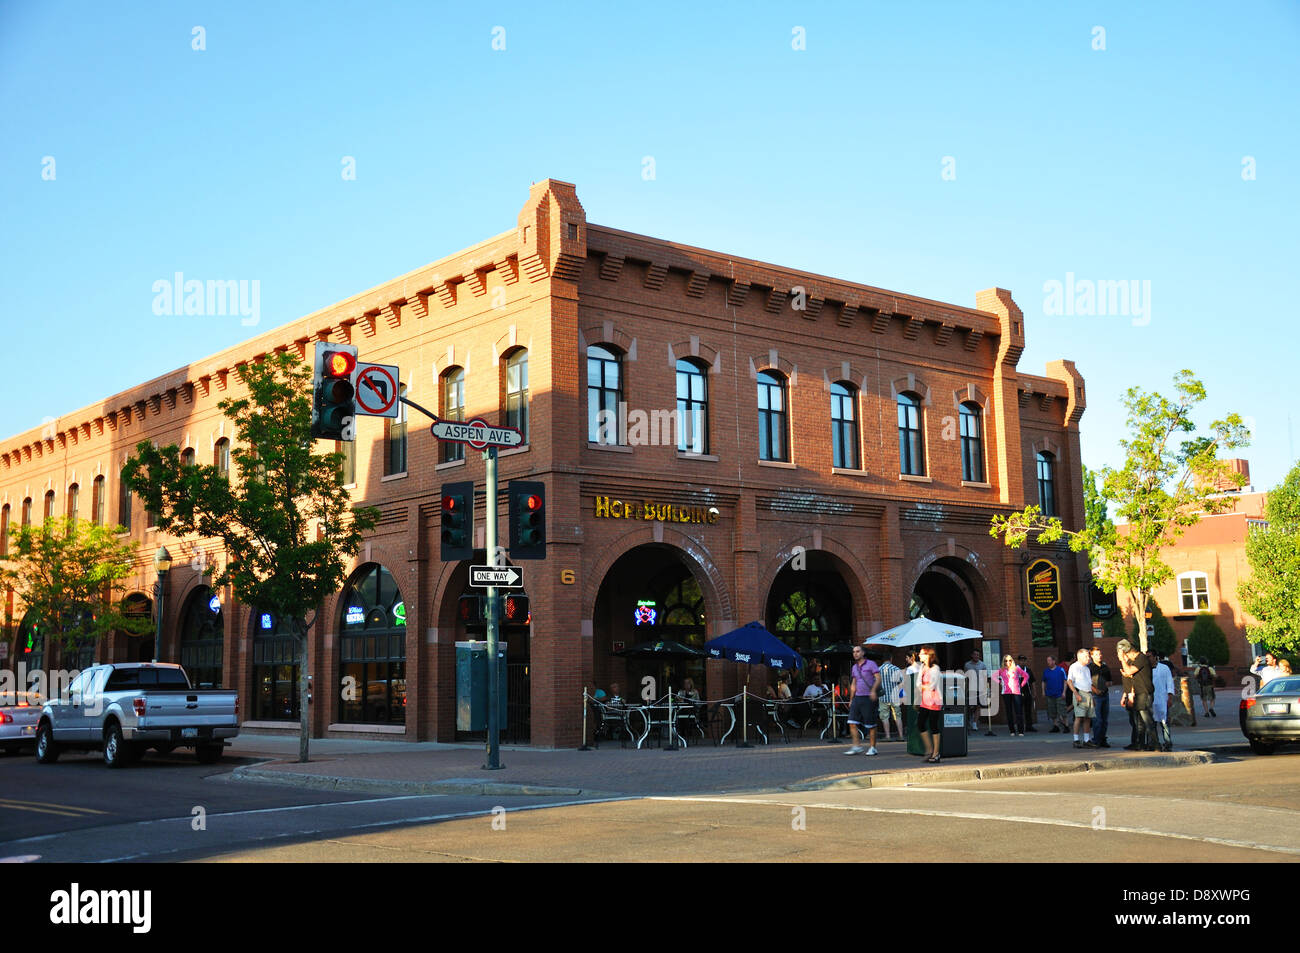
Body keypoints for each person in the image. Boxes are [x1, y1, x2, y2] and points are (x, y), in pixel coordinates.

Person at [1119, 640, 1157, 751]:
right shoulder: (1137, 660)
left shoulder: (1141, 658)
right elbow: (1132, 676)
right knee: (1140, 723)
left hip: (1145, 693)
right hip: (1139, 694)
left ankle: (1155, 744)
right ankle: (1140, 744)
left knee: (1147, 721)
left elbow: (1130, 671)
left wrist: (1122, 659)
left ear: (1129, 652)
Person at [844, 644, 879, 755]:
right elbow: (853, 683)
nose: (855, 653)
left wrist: (873, 690)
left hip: (868, 697)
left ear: (863, 653)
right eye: (854, 652)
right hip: (857, 698)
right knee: (852, 722)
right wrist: (851, 699)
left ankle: (873, 748)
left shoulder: (871, 664)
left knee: (871, 724)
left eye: (858, 651)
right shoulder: (854, 667)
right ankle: (856, 746)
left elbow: (878, 679)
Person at [917, 645, 943, 763]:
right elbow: (918, 684)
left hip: (934, 700)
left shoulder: (935, 668)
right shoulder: (922, 667)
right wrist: (922, 687)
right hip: (925, 700)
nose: (919, 655)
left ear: (928, 655)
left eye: (922, 653)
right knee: (920, 723)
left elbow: (932, 686)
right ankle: (929, 749)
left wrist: (922, 686)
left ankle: (936, 753)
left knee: (933, 726)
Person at [1066, 648, 1094, 748]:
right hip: (1079, 693)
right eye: (1086, 656)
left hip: (1088, 693)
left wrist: (1092, 696)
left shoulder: (1087, 668)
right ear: (1080, 657)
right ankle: (1076, 739)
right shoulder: (1074, 667)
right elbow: (1069, 681)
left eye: (1089, 655)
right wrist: (1076, 693)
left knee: (1088, 718)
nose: (1089, 657)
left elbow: (1089, 683)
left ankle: (1086, 740)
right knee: (1079, 717)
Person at [994, 654, 1028, 735]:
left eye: (1009, 660)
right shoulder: (1001, 670)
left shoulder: (1016, 669)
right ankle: (1012, 731)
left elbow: (1026, 676)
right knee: (1009, 712)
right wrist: (1000, 683)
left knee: (1018, 712)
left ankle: (1020, 731)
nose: (1008, 662)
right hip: (1006, 693)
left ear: (1012, 661)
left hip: (1016, 692)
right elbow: (993, 677)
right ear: (1003, 662)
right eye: (1006, 660)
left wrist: (1022, 684)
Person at [1150, 650, 1175, 751]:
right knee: (1152, 723)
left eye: (1150, 656)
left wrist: (1170, 697)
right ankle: (1154, 742)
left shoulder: (1164, 668)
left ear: (1155, 657)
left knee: (1164, 722)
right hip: (1150, 700)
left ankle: (1167, 741)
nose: (1148, 658)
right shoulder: (1146, 669)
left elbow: (1169, 683)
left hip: (1162, 699)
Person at [1088, 646, 1112, 748]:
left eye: (1100, 654)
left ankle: (1103, 739)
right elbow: (1087, 682)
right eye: (1097, 654)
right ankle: (1096, 739)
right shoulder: (1089, 668)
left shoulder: (1105, 667)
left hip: (1105, 694)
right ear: (1092, 656)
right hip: (1095, 696)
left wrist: (1107, 684)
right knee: (1097, 719)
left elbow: (1110, 680)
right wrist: (1095, 690)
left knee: (1105, 719)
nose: (1099, 656)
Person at [878, 653, 905, 742]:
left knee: (884, 717)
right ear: (891, 659)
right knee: (897, 716)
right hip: (895, 696)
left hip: (883, 697)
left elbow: (875, 683)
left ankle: (888, 736)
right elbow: (902, 682)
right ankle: (901, 735)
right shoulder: (896, 669)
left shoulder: (878, 670)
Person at [1041, 656, 1069, 733]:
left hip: (1059, 694)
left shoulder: (1060, 670)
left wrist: (1064, 692)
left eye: (1049, 660)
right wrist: (1043, 691)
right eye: (1047, 661)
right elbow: (1043, 681)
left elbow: (1065, 681)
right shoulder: (1046, 671)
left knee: (1062, 710)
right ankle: (1055, 725)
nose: (1048, 662)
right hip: (1049, 694)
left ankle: (1066, 726)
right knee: (1052, 711)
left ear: (1054, 661)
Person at [963, 650, 988, 731]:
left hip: (980, 688)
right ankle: (971, 718)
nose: (976, 656)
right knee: (970, 706)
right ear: (972, 655)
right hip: (970, 688)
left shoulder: (982, 665)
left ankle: (974, 723)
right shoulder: (967, 665)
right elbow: (965, 676)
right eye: (975, 654)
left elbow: (985, 677)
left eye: (978, 655)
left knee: (978, 706)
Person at [1018, 655, 1038, 731]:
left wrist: (1034, 692)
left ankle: (1029, 726)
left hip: (1028, 693)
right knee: (1019, 711)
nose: (1022, 662)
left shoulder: (1028, 670)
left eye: (1024, 660)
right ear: (1019, 661)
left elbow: (1033, 682)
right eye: (1021, 660)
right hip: (1018, 693)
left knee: (1028, 710)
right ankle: (1020, 727)